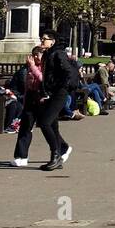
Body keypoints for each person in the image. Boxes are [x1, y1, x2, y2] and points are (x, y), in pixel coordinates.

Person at [36, 32, 75, 170]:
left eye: (44, 39)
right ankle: (63, 147)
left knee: (44, 123)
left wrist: (61, 87)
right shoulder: (47, 54)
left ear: (52, 41)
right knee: (52, 125)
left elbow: (68, 72)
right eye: (41, 38)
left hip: (59, 93)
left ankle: (56, 155)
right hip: (51, 93)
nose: (42, 40)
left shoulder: (59, 53)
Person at [10, 46, 46, 166]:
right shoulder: (27, 69)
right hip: (30, 99)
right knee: (25, 128)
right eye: (36, 55)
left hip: (42, 100)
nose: (37, 58)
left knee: (49, 129)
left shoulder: (44, 67)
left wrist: (33, 68)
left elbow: (42, 79)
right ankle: (21, 155)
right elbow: (27, 87)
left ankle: (61, 149)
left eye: (40, 55)